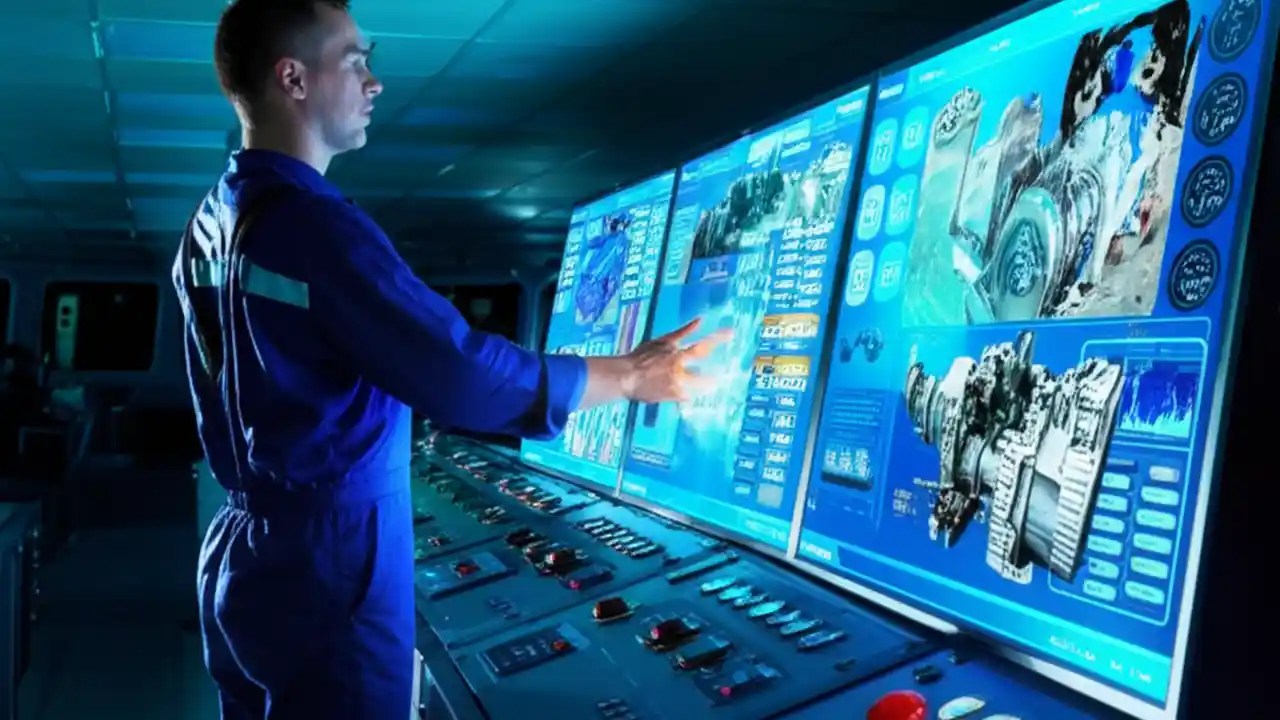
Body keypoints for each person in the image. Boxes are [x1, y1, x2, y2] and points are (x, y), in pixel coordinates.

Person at [177, 1, 726, 718]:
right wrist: (627, 375)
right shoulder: (316, 229)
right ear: (294, 79)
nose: (374, 82)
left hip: (245, 557)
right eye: (354, 61)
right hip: (330, 565)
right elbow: (460, 374)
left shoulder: (209, 225)